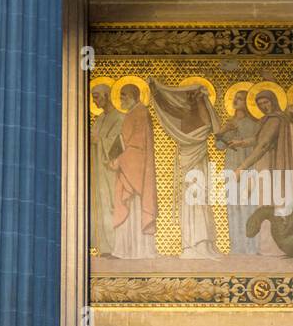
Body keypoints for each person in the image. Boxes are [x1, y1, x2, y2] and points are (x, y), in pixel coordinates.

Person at [149, 78, 224, 259]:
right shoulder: (183, 113)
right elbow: (167, 108)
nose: (188, 99)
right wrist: (156, 91)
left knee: (198, 199)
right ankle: (190, 245)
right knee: (190, 200)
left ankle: (202, 244)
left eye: (192, 95)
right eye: (187, 95)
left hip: (197, 162)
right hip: (188, 162)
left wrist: (200, 100)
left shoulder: (201, 113)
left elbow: (206, 128)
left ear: (198, 97)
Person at [238, 89, 293, 256]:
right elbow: (257, 139)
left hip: (272, 166)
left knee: (271, 204)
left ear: (274, 101)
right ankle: (267, 247)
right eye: (260, 104)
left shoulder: (276, 119)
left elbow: (263, 144)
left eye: (266, 102)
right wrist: (240, 143)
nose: (263, 107)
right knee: (265, 204)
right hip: (265, 167)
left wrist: (242, 167)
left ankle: (273, 248)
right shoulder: (266, 120)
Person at [110, 83, 158, 259]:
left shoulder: (140, 112)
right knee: (127, 204)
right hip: (128, 167)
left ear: (132, 96)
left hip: (135, 170)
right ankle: (125, 249)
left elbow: (137, 145)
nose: (121, 100)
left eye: (123, 96)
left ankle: (138, 251)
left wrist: (119, 160)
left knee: (134, 205)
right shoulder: (132, 113)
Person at [216, 88, 260, 254]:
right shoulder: (229, 122)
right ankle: (236, 247)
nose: (236, 100)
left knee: (248, 206)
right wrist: (224, 130)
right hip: (231, 168)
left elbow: (258, 142)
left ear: (247, 103)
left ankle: (251, 247)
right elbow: (219, 146)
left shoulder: (254, 124)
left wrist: (240, 138)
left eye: (240, 98)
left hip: (248, 167)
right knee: (233, 206)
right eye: (235, 97)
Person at [90, 83, 123, 256]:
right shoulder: (100, 119)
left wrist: (99, 140)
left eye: (96, 96)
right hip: (98, 171)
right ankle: (105, 248)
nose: (94, 101)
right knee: (100, 206)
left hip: (112, 171)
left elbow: (119, 144)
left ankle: (116, 247)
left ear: (106, 96)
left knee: (112, 205)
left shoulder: (120, 117)